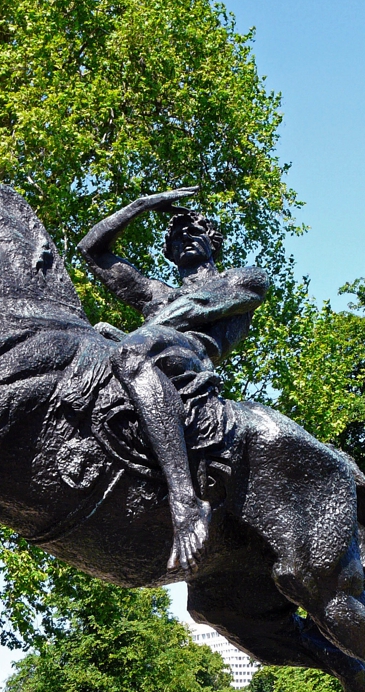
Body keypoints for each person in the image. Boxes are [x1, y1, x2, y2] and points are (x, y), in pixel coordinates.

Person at [78, 189, 268, 573]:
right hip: (150, 348)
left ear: (212, 241)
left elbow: (196, 307)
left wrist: (134, 332)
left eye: (193, 231)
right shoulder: (156, 295)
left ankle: (185, 501)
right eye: (176, 235)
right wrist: (141, 205)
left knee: (129, 351)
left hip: (191, 357)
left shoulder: (244, 278)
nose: (184, 237)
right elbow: (91, 252)